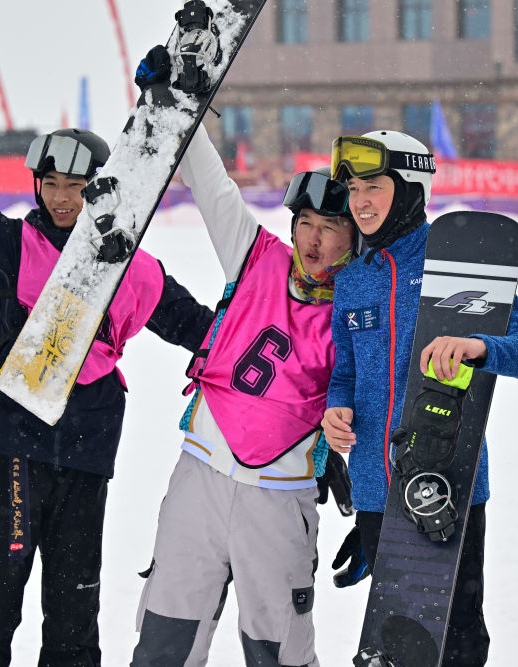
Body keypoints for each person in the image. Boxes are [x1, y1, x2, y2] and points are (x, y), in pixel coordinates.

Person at [0, 59, 215, 667]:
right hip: (13, 440)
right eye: (52, 183)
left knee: (73, 615)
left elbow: (203, 330)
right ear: (37, 185)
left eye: (76, 186)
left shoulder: (135, 271)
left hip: (88, 445)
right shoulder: (17, 247)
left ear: (100, 189)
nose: (62, 198)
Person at [128, 47, 360, 667]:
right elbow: (211, 186)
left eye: (330, 228)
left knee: (279, 650)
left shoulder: (361, 306)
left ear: (353, 238)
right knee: (165, 640)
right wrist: (173, 104)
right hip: (200, 475)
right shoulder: (254, 256)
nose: (312, 239)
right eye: (305, 223)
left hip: (279, 497)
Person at [321, 130, 518, 666]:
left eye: (374, 187)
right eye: (353, 190)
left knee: (457, 637)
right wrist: (336, 408)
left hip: (449, 481)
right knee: (399, 639)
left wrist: (480, 346)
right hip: (375, 487)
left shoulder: (457, 263)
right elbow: (344, 372)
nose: (360, 202)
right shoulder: (352, 281)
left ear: (409, 190)